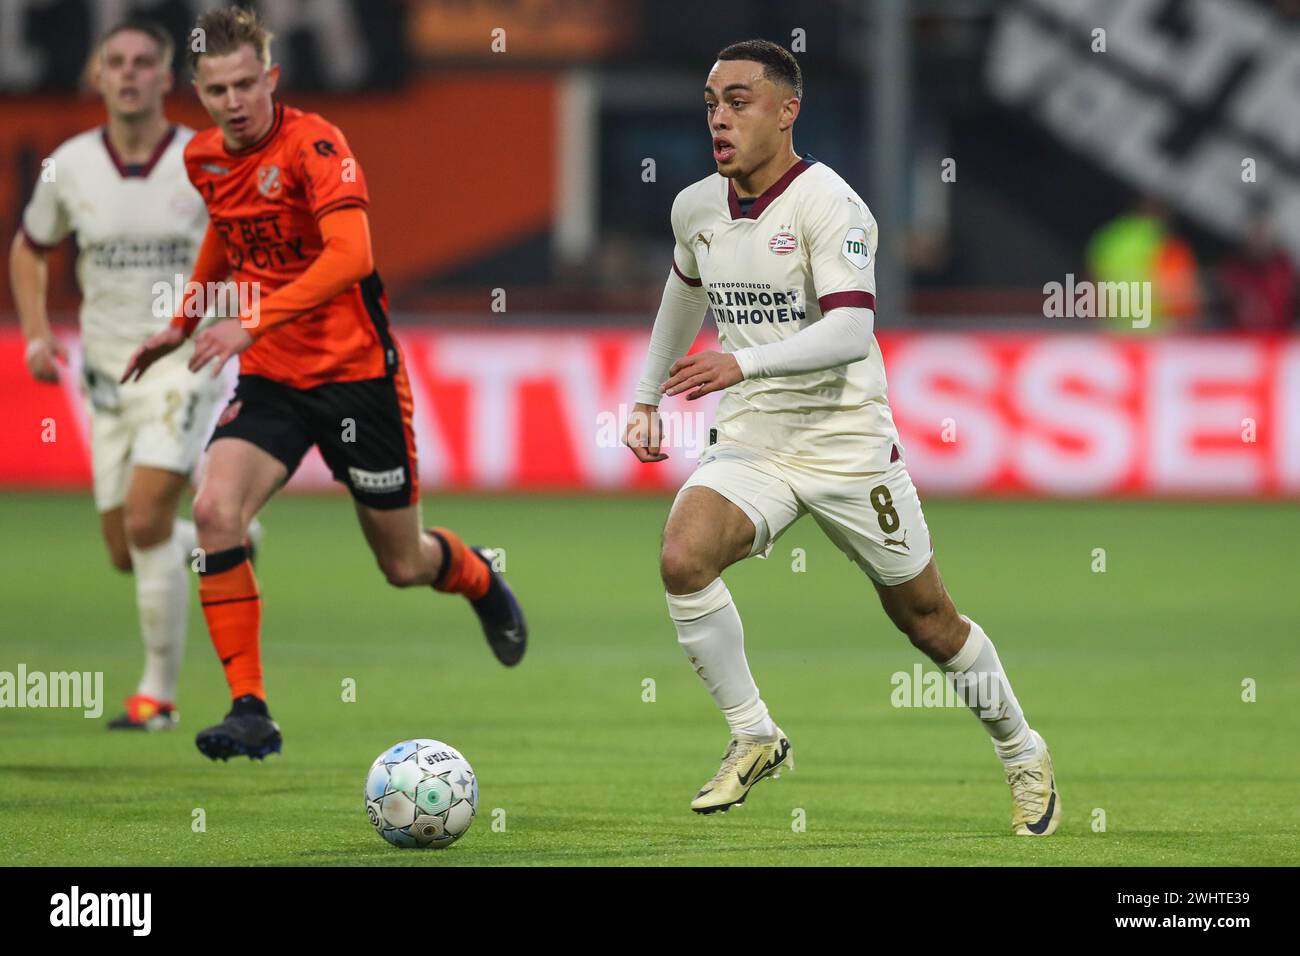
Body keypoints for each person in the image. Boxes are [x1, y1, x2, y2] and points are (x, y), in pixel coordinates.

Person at [623, 39, 1059, 834]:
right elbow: (683, 291)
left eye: (740, 101)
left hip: (845, 438)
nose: (721, 118)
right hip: (754, 437)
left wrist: (741, 365)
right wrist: (647, 394)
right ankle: (754, 733)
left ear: (787, 111)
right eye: (713, 102)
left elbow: (852, 330)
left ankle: (1022, 750)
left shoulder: (831, 204)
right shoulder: (696, 207)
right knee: (683, 556)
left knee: (927, 619)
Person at [123, 6, 528, 762]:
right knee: (214, 511)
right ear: (199, 94)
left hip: (356, 380)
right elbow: (226, 230)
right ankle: (251, 710)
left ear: (270, 78)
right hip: (274, 380)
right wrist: (182, 323)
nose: (235, 102)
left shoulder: (316, 145)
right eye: (217, 90)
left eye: (247, 84)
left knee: (402, 565)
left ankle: (478, 579)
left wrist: (248, 321)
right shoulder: (204, 158)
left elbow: (351, 255)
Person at [10, 20, 218, 732]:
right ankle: (218, 539)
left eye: (143, 64)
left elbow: (248, 252)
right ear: (98, 77)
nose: (128, 75)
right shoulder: (67, 166)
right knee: (127, 550)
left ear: (166, 79)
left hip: (184, 365)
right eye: (115, 63)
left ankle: (156, 697)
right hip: (105, 375)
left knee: (144, 516)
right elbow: (30, 248)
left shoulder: (204, 160)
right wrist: (37, 333)